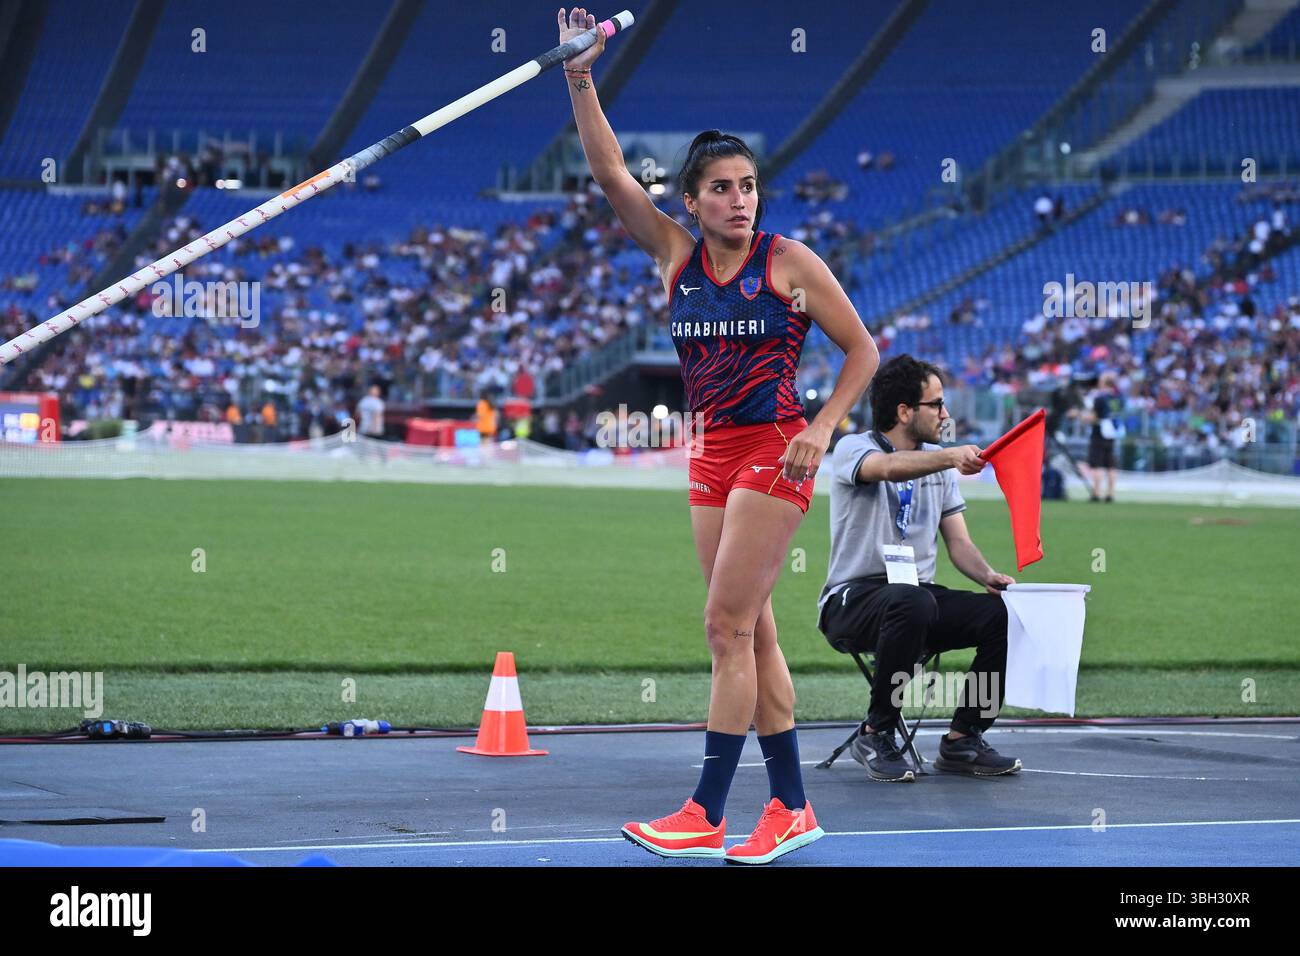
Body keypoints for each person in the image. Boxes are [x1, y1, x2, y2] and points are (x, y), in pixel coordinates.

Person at [559, 7, 879, 864]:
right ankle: (793, 808)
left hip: (776, 448)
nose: (741, 200)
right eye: (723, 189)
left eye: (749, 185)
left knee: (724, 628)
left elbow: (864, 349)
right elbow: (611, 174)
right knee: (755, 632)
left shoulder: (788, 260)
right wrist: (581, 77)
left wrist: (823, 427)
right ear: (692, 201)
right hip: (709, 452)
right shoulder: (676, 257)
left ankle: (704, 811)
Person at [816, 355, 1021, 782]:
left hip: (916, 597)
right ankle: (876, 731)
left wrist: (988, 577)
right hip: (853, 598)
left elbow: (958, 542)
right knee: (911, 602)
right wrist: (949, 457)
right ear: (904, 411)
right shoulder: (855, 447)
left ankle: (963, 738)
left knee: (1003, 615)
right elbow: (888, 468)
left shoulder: (939, 464)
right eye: (937, 404)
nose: (946, 415)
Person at [1081, 372, 1121, 502]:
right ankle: (1111, 494)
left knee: (1097, 464)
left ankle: (1096, 493)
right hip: (1112, 434)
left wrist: (1082, 416)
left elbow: (1094, 417)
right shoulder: (1117, 398)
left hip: (1099, 433)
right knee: (1110, 465)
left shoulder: (1100, 398)